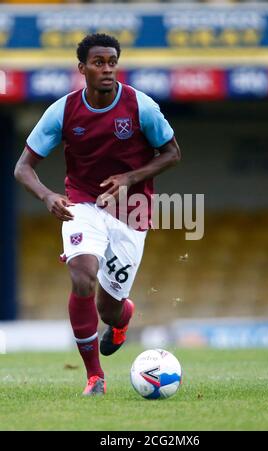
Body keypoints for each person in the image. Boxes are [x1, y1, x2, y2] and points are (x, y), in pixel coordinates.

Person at [14, 33, 181, 396]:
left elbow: (172, 153)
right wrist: (46, 196)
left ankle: (122, 318)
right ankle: (95, 376)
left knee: (109, 308)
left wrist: (129, 178)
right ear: (82, 68)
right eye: (98, 63)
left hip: (131, 210)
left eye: (112, 63)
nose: (107, 69)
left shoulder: (141, 106)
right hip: (83, 203)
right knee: (82, 278)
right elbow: (23, 167)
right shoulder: (63, 110)